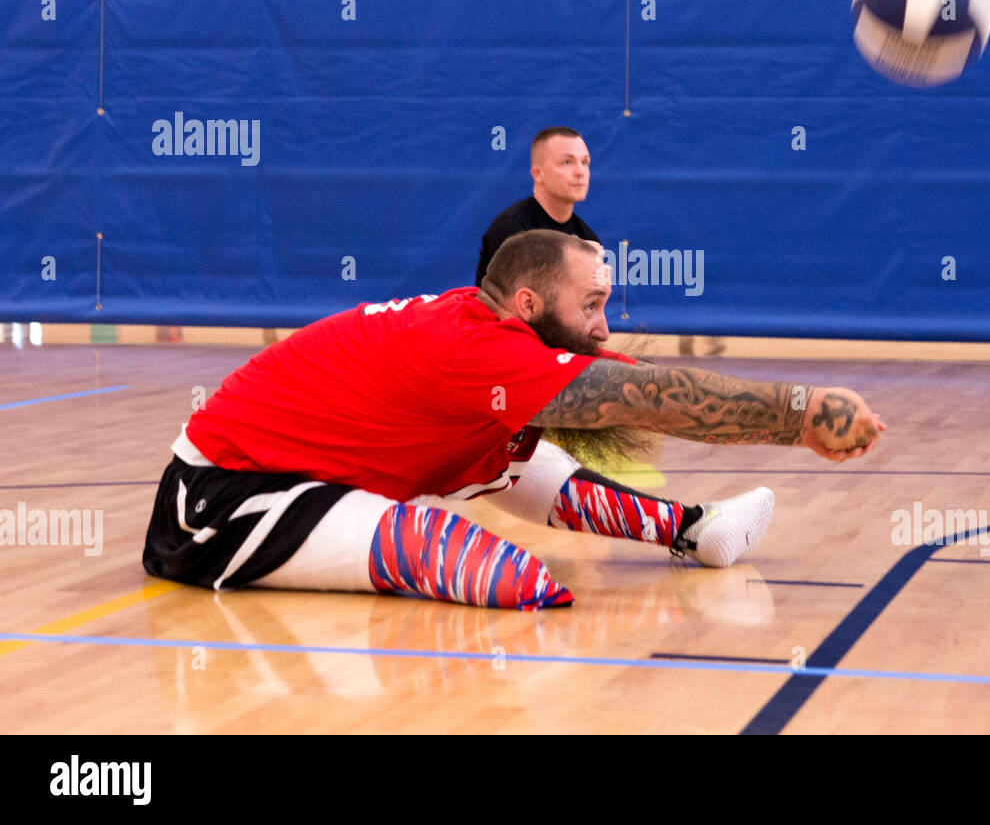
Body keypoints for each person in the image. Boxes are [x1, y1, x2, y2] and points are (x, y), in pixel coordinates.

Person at [143, 230, 886, 611]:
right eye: (590, 306)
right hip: (220, 500)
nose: (603, 326)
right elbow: (657, 398)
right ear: (529, 306)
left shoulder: (494, 341)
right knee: (502, 575)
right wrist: (798, 412)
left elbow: (645, 386)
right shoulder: (475, 349)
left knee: (516, 453)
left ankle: (695, 528)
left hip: (311, 477)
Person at [475, 126, 600, 287]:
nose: (580, 172)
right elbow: (518, 303)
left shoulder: (587, 238)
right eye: (567, 162)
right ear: (537, 174)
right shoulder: (511, 229)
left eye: (585, 162)